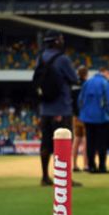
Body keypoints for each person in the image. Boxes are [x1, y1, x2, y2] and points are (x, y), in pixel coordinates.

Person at [36, 31, 82, 187]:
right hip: (61, 108)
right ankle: (64, 178)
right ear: (56, 41)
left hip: (45, 109)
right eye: (61, 39)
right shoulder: (63, 59)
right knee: (63, 144)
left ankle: (44, 177)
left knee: (45, 144)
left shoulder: (40, 58)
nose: (63, 41)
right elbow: (74, 79)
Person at [78, 67, 109, 173]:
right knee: (102, 143)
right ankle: (102, 166)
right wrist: (108, 113)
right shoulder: (105, 83)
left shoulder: (87, 82)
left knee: (90, 142)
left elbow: (80, 100)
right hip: (101, 117)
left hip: (87, 118)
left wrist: (83, 113)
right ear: (105, 72)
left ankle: (91, 166)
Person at [73, 65, 89, 171]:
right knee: (85, 140)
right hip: (85, 115)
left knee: (76, 140)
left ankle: (74, 165)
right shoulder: (87, 84)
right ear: (86, 74)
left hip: (75, 115)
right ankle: (86, 165)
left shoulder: (73, 85)